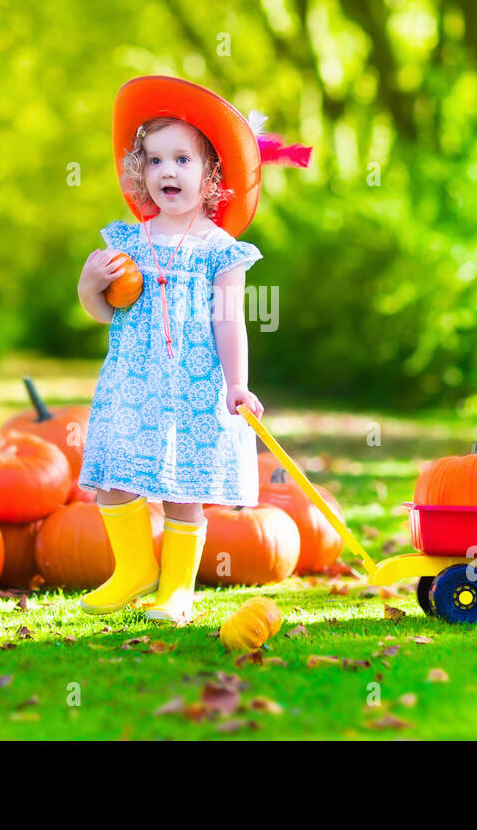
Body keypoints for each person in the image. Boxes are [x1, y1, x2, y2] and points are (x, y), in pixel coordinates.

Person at [76, 75, 311, 623]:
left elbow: (230, 323)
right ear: (141, 172)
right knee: (112, 479)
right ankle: (135, 567)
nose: (167, 172)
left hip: (194, 383)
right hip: (131, 380)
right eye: (154, 161)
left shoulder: (219, 250)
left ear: (209, 174)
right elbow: (105, 311)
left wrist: (237, 383)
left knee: (183, 487)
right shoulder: (126, 241)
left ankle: (177, 588)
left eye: (182, 159)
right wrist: (89, 284)